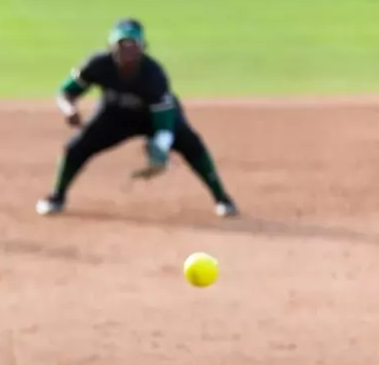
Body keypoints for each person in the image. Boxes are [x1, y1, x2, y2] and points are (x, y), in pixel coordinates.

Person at [38, 18, 238, 217]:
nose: (127, 51)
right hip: (114, 117)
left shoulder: (154, 75)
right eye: (121, 45)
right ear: (111, 46)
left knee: (192, 146)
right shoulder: (97, 65)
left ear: (143, 47)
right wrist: (69, 110)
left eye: (133, 45)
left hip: (156, 118)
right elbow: (65, 92)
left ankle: (222, 198)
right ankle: (56, 196)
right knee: (76, 148)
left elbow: (165, 122)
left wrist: (160, 147)